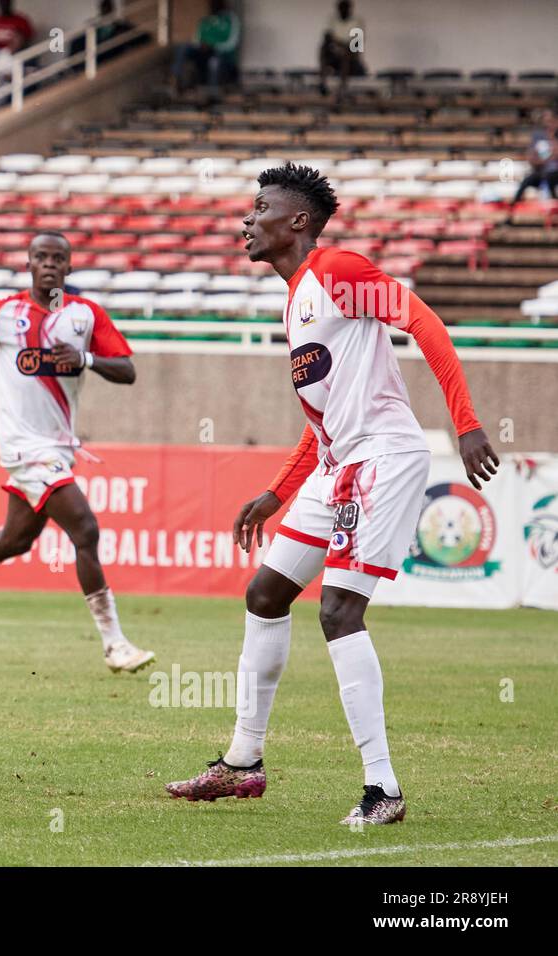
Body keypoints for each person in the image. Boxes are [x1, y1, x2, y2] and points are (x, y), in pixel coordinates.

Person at [165, 163, 499, 825]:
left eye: (260, 207)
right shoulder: (297, 300)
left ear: (297, 221)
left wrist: (465, 423)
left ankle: (384, 791)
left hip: (382, 457)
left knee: (340, 612)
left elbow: (425, 323)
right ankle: (242, 763)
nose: (247, 220)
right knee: (266, 592)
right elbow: (323, 421)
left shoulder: (338, 270)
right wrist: (275, 492)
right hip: (338, 461)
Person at [0, 232, 155, 674]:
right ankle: (115, 645)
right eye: (42, 257)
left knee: (16, 539)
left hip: (57, 447)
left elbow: (128, 370)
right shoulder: (3, 313)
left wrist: (85, 360)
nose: (50, 264)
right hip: (23, 448)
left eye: (59, 258)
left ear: (70, 268)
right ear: (29, 264)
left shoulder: (85, 315)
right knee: (87, 530)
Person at [171, 0, 240, 93]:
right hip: (205, 52)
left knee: (214, 62)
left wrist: (212, 45)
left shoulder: (231, 19)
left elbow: (231, 44)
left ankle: (212, 91)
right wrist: (201, 45)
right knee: (183, 47)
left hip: (221, 56)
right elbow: (196, 39)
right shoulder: (206, 19)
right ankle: (175, 78)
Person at [511, 110, 558, 206]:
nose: (548, 124)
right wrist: (544, 159)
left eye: (550, 121)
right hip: (542, 171)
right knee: (527, 180)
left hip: (554, 173)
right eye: (545, 121)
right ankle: (512, 210)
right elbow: (532, 157)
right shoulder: (538, 137)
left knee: (550, 177)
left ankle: (554, 206)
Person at [319, 0, 365, 93]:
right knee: (323, 49)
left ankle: (342, 87)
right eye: (340, 9)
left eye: (345, 9)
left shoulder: (357, 21)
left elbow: (357, 44)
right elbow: (328, 37)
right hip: (335, 52)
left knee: (346, 52)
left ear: (349, 9)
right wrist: (338, 45)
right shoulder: (333, 20)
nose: (342, 11)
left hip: (351, 55)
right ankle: (323, 83)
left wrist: (342, 45)